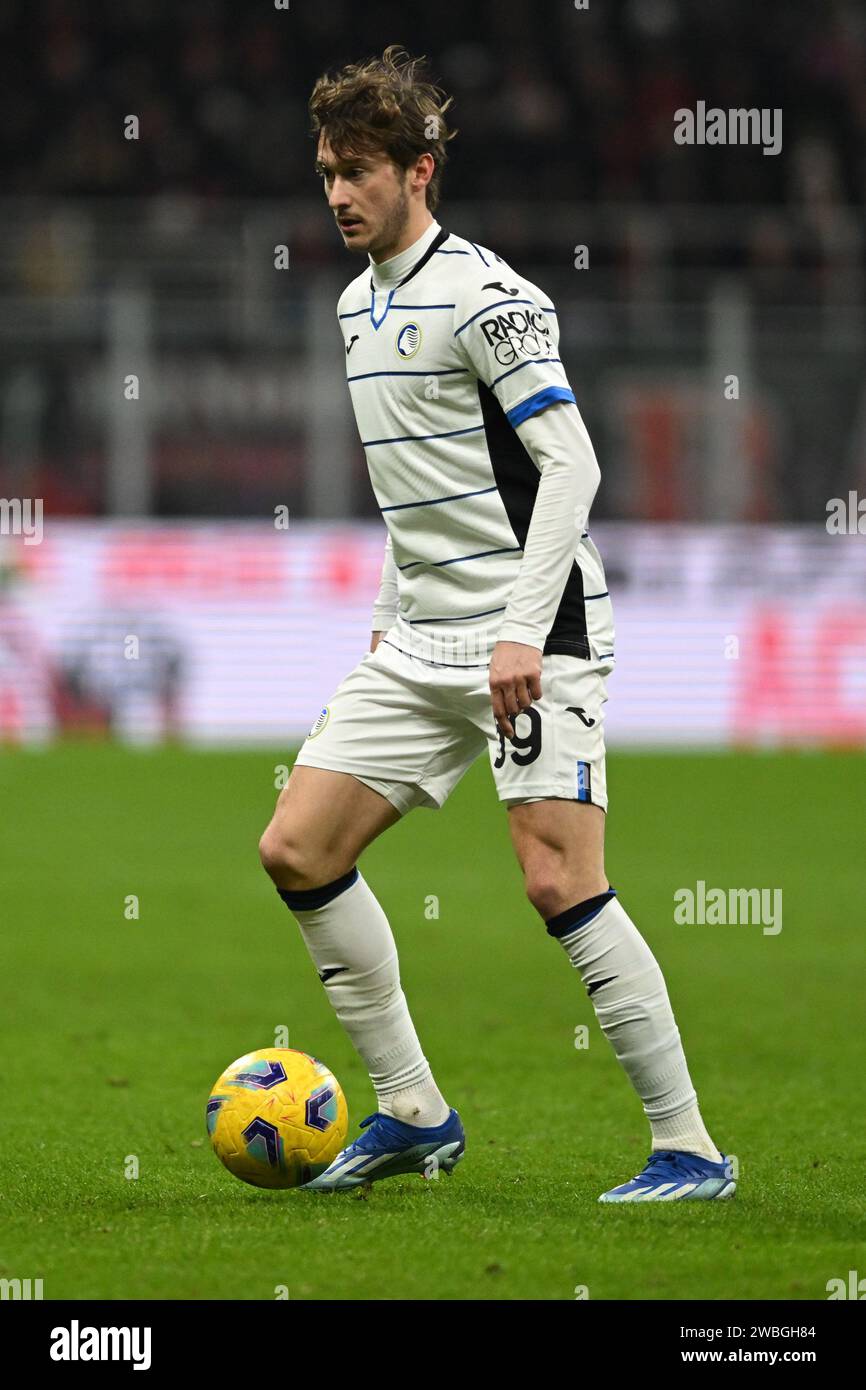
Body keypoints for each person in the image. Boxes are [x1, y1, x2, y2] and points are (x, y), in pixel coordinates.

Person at [259, 46, 734, 1202]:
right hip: (420, 636)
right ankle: (413, 1109)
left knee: (556, 880)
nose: (336, 194)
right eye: (325, 170)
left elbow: (570, 468)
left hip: (536, 629)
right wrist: (386, 617)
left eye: (358, 170)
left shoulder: (488, 298)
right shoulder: (351, 307)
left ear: (419, 172)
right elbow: (410, 489)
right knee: (297, 849)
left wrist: (518, 632)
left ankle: (689, 1150)